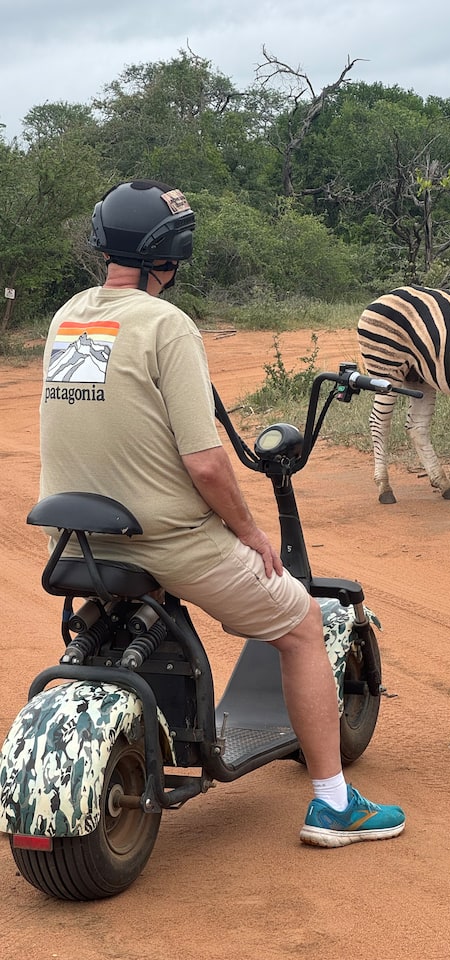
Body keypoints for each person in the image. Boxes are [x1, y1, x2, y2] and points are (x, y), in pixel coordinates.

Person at [39, 179, 405, 847]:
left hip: (80, 539)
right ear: (167, 255)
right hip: (166, 542)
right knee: (296, 622)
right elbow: (207, 465)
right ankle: (333, 803)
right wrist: (250, 532)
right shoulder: (165, 324)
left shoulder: (70, 318)